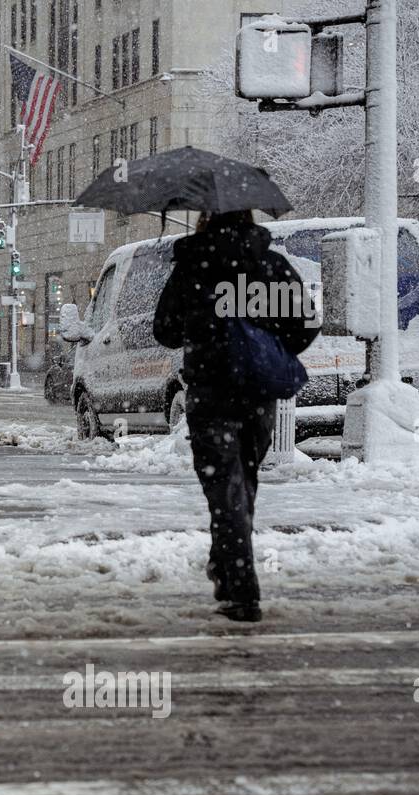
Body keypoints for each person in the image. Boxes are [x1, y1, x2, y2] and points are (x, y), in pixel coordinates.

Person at [153, 209, 319, 623]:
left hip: (211, 393)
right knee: (242, 482)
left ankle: (242, 589)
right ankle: (226, 568)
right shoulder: (271, 264)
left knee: (224, 487)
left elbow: (165, 330)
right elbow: (306, 323)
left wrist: (206, 325)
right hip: (257, 394)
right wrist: (265, 343)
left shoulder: (195, 263)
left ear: (207, 217)